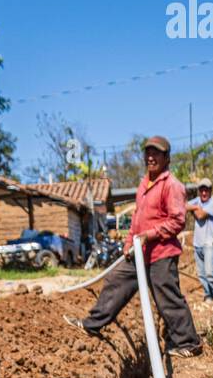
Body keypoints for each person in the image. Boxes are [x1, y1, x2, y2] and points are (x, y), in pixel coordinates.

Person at [72, 136, 202, 357]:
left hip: (161, 253)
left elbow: (177, 221)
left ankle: (188, 342)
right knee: (115, 280)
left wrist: (149, 235)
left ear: (167, 158)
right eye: (148, 153)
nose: (151, 158)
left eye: (156, 154)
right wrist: (129, 240)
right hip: (139, 252)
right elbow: (137, 217)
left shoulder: (172, 186)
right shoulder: (144, 184)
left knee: (166, 297)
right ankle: (92, 324)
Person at [187, 177, 213, 301]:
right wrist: (196, 207)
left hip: (210, 244)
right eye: (201, 190)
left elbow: (201, 215)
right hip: (197, 243)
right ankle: (209, 296)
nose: (203, 193)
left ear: (210, 191)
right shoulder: (197, 200)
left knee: (209, 273)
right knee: (202, 275)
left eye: (206, 190)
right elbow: (184, 206)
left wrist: (195, 208)